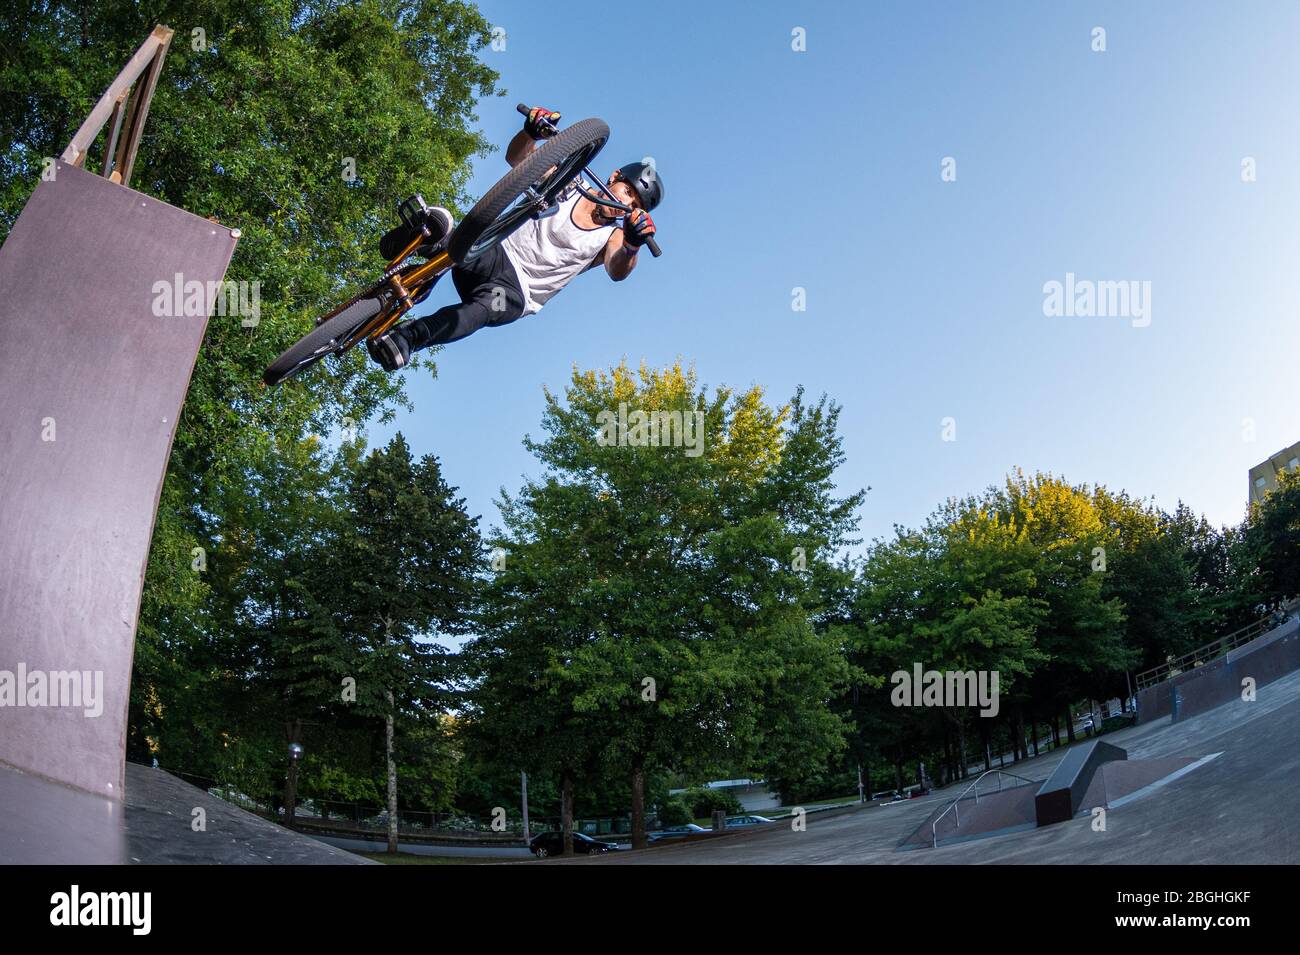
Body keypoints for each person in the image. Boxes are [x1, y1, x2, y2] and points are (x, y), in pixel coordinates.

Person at [367, 105, 662, 371]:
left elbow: (617, 269)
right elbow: (518, 158)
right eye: (628, 192)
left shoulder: (614, 234)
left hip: (514, 292)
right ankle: (421, 237)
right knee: (448, 231)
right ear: (614, 178)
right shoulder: (570, 182)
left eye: (635, 206)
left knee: (480, 312)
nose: (627, 203)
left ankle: (408, 338)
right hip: (494, 250)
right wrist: (530, 133)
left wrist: (633, 245)